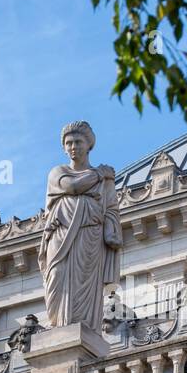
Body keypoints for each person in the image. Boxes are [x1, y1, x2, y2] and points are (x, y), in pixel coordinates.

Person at [37, 121, 122, 332]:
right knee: (57, 277)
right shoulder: (58, 172)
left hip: (90, 236)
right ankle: (58, 325)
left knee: (88, 284)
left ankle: (86, 328)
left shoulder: (106, 183)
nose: (73, 147)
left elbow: (111, 207)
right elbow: (72, 187)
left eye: (78, 142)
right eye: (68, 143)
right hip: (61, 235)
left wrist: (111, 231)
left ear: (88, 145)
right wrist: (100, 174)